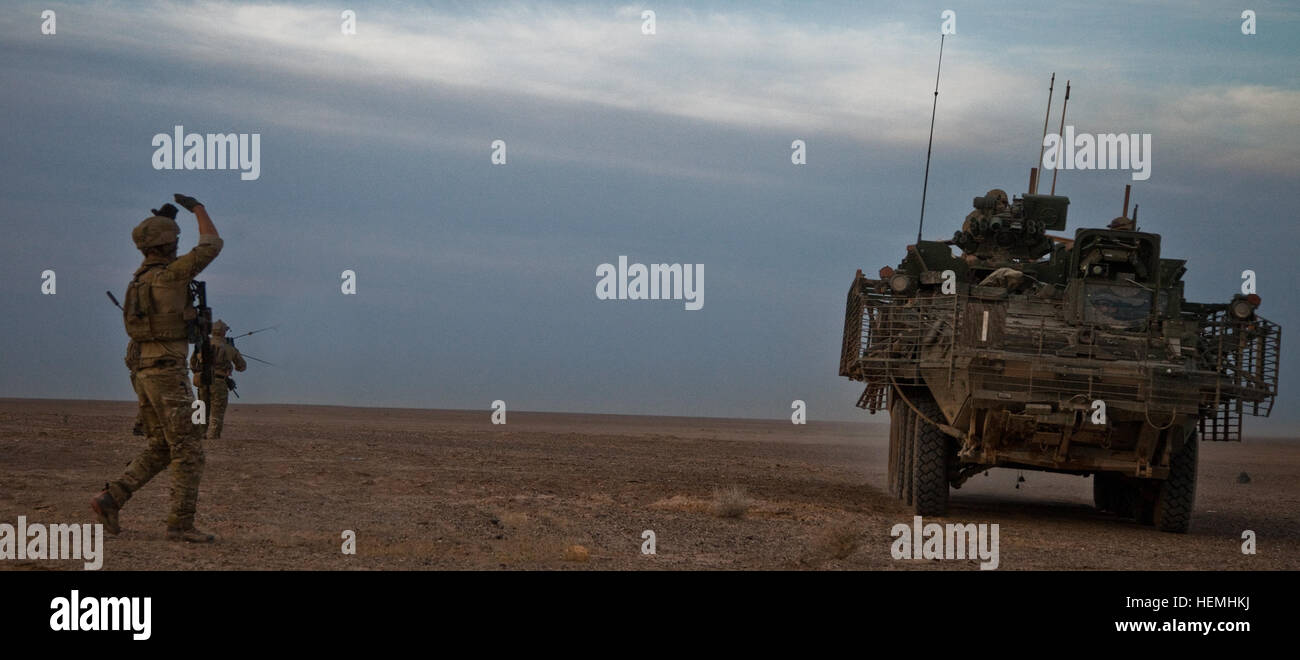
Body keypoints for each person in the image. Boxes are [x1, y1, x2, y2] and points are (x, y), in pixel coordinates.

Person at [91, 194, 222, 543]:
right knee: (189, 449)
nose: (180, 247)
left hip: (143, 372)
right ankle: (180, 525)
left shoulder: (138, 283)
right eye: (175, 241)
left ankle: (112, 497)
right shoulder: (171, 277)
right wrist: (199, 209)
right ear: (168, 245)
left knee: (162, 447)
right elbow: (212, 244)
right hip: (166, 373)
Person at [191, 320, 246, 439]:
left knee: (201, 409)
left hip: (203, 381)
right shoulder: (230, 348)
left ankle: (198, 435)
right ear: (224, 332)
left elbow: (192, 364)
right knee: (217, 412)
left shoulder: (201, 345)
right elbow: (241, 367)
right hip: (219, 382)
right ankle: (212, 437)